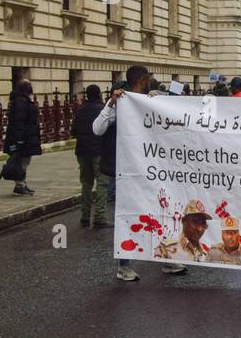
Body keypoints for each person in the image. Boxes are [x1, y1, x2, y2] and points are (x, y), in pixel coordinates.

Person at [93, 65, 186, 281]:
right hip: (127, 172)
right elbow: (97, 129)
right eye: (149, 80)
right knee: (129, 214)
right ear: (143, 80)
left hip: (152, 170)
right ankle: (124, 266)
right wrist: (110, 104)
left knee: (161, 211)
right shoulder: (122, 102)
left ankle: (167, 259)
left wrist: (159, 98)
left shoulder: (145, 100)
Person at [71, 85, 110, 228]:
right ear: (99, 95)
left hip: (82, 151)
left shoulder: (80, 110)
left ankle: (85, 216)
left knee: (86, 184)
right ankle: (99, 216)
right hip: (99, 151)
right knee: (102, 183)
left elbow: (73, 131)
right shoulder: (103, 109)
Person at [3, 79, 42, 195]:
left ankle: (22, 183)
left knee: (25, 161)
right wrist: (19, 140)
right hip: (23, 137)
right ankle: (20, 185)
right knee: (22, 161)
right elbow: (19, 122)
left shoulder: (22, 100)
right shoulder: (21, 101)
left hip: (26, 136)